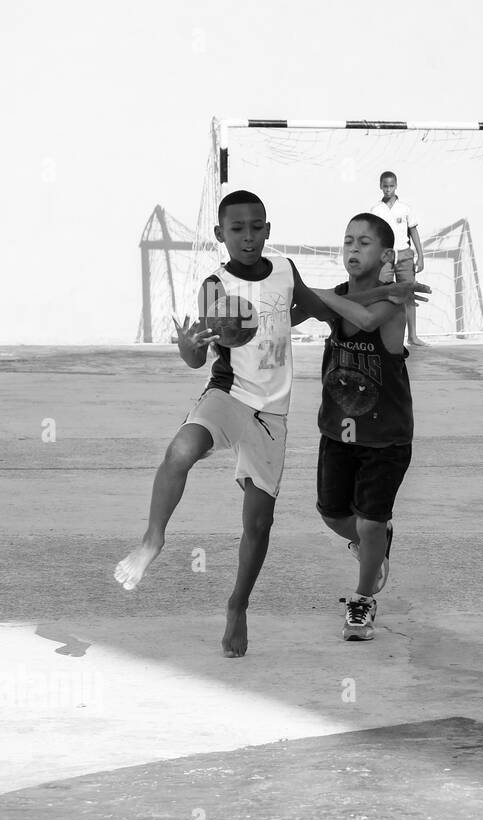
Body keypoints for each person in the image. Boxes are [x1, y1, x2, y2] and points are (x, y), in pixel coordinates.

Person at [113, 190, 423, 657]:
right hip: (228, 394)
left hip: (271, 415)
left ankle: (237, 608)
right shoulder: (215, 285)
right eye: (237, 229)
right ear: (221, 235)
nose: (248, 236)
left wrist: (384, 291)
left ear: (268, 231)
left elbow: (320, 306)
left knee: (258, 523)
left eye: (257, 227)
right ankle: (152, 538)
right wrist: (187, 344)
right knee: (179, 451)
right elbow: (198, 357)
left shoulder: (283, 271)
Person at [291, 213, 415, 641]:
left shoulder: (393, 302)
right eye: (348, 241)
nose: (353, 249)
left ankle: (363, 599)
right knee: (331, 513)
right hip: (337, 431)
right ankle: (375, 542)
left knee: (369, 521)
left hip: (386, 438)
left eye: (364, 243)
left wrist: (316, 294)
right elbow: (290, 315)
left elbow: (364, 321)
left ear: (384, 255)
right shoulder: (342, 297)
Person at [371, 171, 426, 347]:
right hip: (385, 256)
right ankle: (385, 336)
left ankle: (412, 336)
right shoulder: (376, 210)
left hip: (404, 255)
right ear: (380, 186)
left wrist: (420, 256)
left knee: (408, 295)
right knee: (383, 295)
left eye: (391, 186)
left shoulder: (405, 208)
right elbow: (372, 235)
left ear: (396, 186)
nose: (388, 189)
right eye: (385, 186)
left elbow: (414, 232)